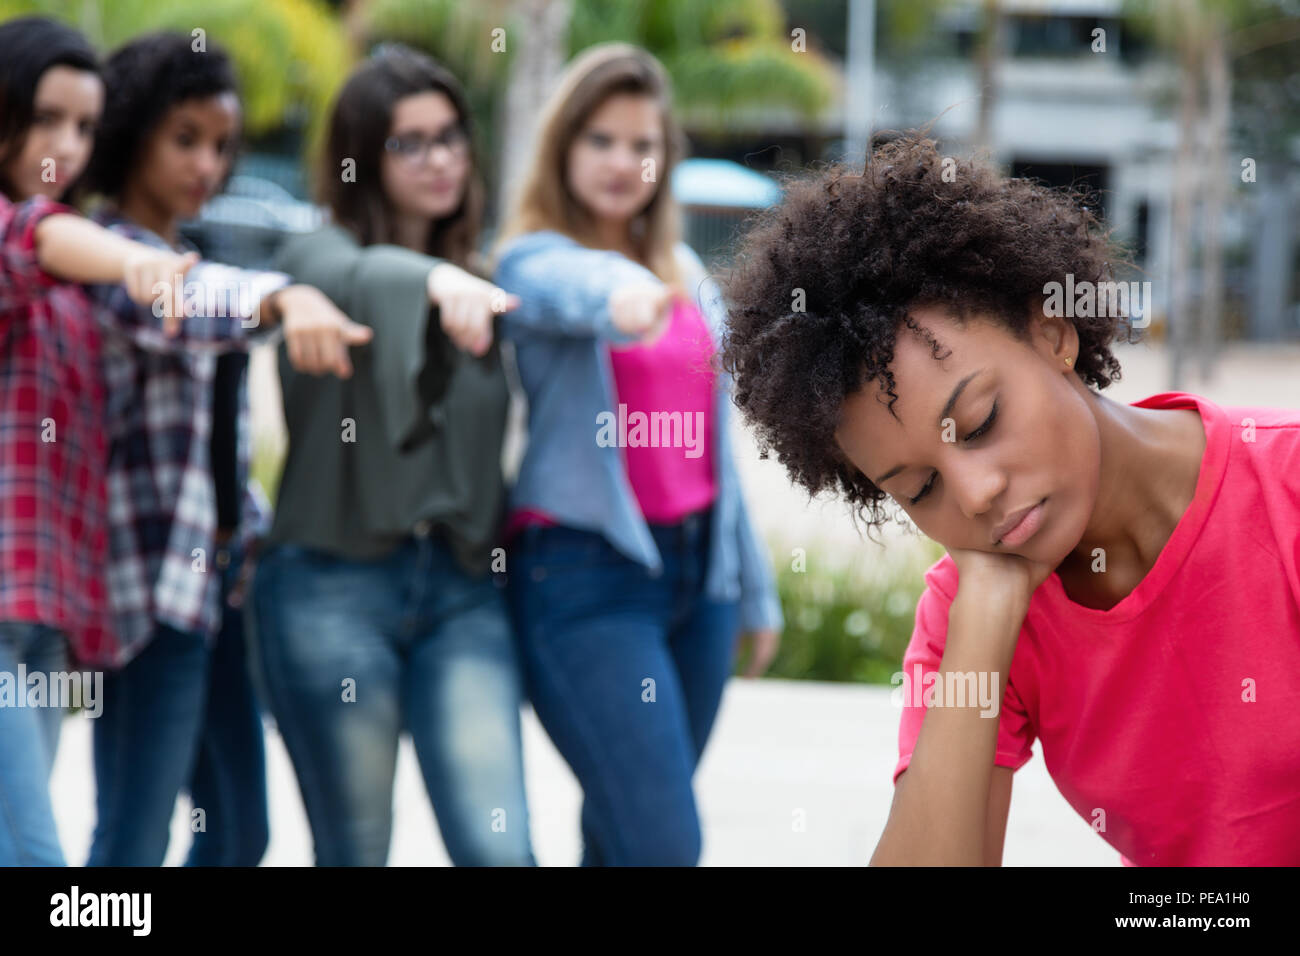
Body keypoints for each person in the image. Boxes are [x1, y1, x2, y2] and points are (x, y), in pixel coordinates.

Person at [719, 133, 1300, 866]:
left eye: (980, 422)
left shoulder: (1286, 487)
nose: (976, 492)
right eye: (920, 488)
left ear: (1052, 333)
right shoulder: (966, 610)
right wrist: (989, 613)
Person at [80, 31, 367, 867]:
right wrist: (285, 297)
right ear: (131, 131)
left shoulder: (181, 254)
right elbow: (183, 304)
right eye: (185, 140)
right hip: (144, 595)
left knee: (239, 830)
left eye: (220, 145)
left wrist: (252, 528)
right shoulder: (109, 256)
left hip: (214, 588)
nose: (206, 164)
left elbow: (215, 445)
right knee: (133, 836)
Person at [493, 43, 784, 866]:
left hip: (699, 583)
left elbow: (714, 454)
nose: (624, 161)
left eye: (642, 144)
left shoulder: (687, 270)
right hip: (588, 581)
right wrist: (619, 297)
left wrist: (752, 588)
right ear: (563, 148)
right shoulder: (531, 259)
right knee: (664, 844)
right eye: (601, 140)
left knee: (619, 837)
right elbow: (569, 289)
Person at [249, 44, 534, 867]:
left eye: (449, 136)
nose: (439, 158)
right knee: (356, 854)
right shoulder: (317, 262)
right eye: (408, 142)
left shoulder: (486, 277)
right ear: (362, 157)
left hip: (460, 593)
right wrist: (437, 287)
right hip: (330, 590)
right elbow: (356, 274)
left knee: (501, 851)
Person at [0, 15, 201, 866]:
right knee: (37, 861)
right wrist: (130, 262)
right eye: (46, 119)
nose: (67, 145)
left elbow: (201, 314)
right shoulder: (49, 242)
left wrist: (283, 304)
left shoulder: (86, 289)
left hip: (52, 620)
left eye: (84, 126)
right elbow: (33, 236)